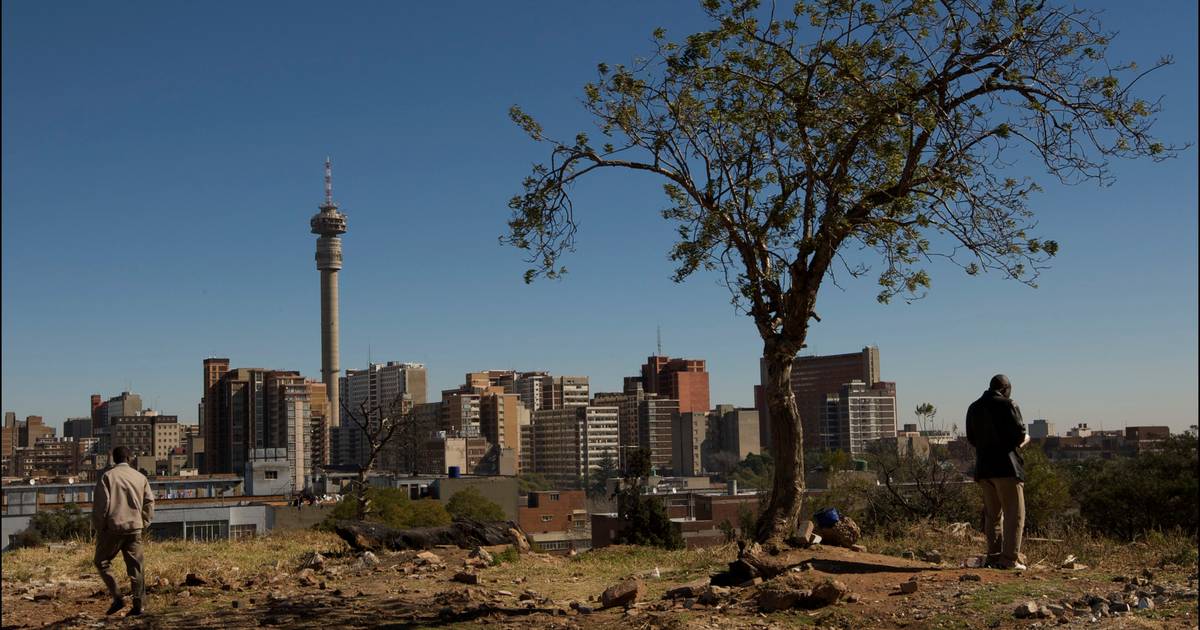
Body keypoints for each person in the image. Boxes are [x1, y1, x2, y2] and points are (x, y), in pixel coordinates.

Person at [966, 374, 1030, 570]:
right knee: (1014, 514)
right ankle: (1010, 559)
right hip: (1007, 467)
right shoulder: (1009, 404)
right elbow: (1019, 436)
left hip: (984, 468)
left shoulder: (974, 407)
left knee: (992, 515)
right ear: (1005, 389)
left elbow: (972, 438)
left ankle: (993, 557)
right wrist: (1026, 439)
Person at [92, 446, 155, 616]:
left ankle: (117, 597)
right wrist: (144, 522)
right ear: (129, 458)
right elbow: (149, 501)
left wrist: (100, 527)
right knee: (137, 567)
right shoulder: (140, 477)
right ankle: (139, 604)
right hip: (135, 528)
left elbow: (101, 505)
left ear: (114, 459)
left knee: (101, 561)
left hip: (113, 527)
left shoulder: (108, 477)